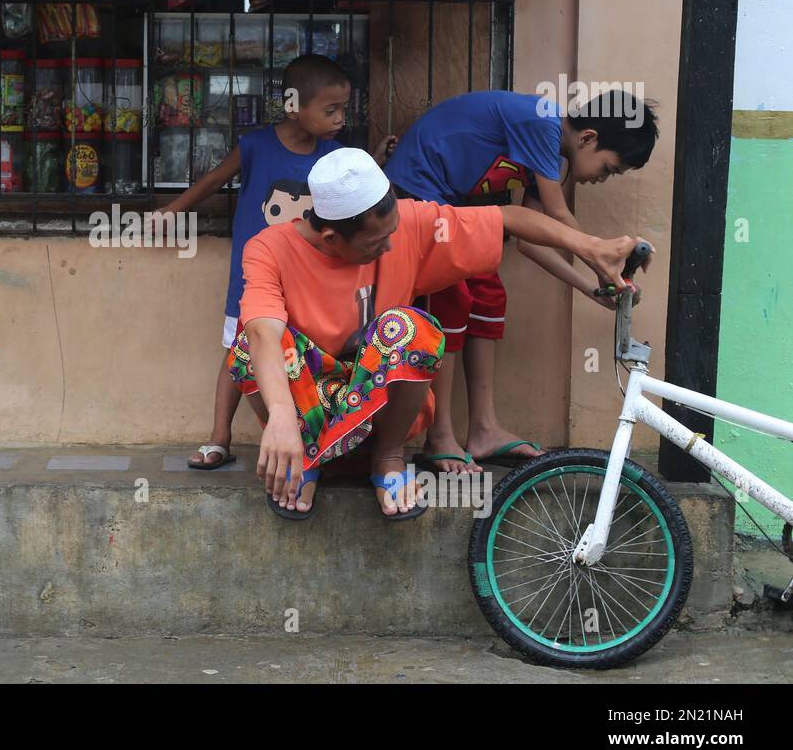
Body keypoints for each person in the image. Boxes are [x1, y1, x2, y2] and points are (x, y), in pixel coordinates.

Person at [232, 147, 649, 519]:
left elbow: (511, 218)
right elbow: (264, 331)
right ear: (330, 237)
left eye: (392, 232)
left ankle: (389, 459)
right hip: (309, 409)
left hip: (380, 407)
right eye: (376, 243)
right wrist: (283, 418)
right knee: (245, 350)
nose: (390, 247)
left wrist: (591, 247)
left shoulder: (411, 224)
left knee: (415, 329)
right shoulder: (268, 248)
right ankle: (305, 458)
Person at [381, 89, 659, 474]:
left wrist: (592, 289)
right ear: (588, 138)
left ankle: (483, 430)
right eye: (608, 168)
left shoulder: (549, 154)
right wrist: (603, 262)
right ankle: (440, 435)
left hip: (453, 210)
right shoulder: (541, 125)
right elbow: (559, 218)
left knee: (489, 296)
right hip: (417, 196)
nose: (601, 178)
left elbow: (531, 240)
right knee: (451, 297)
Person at [158, 55, 391, 470]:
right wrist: (172, 210)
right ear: (293, 106)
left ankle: (314, 439)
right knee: (237, 351)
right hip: (256, 276)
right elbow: (213, 180)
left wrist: (374, 159)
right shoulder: (255, 146)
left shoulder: (335, 157)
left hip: (309, 281)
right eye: (330, 109)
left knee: (302, 357)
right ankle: (220, 436)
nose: (341, 118)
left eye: (344, 109)